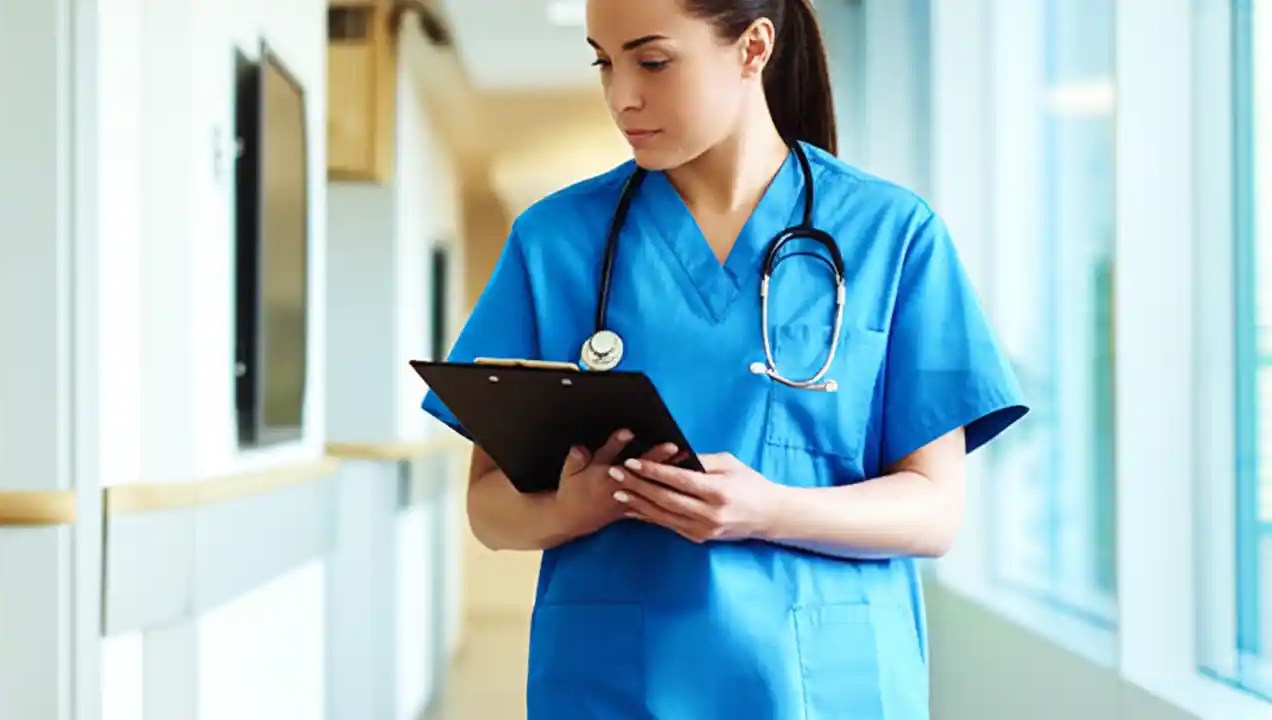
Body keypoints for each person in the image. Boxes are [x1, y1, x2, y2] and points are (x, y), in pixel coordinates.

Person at [421, 0, 1029, 717]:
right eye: (603, 62)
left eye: (652, 61)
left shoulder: (891, 234)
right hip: (618, 683)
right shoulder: (554, 242)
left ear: (753, 48)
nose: (622, 96)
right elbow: (489, 510)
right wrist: (575, 508)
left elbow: (933, 513)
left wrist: (767, 510)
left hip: (825, 684)